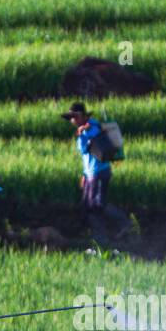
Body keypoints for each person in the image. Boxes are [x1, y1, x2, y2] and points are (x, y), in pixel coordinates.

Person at [62, 101, 130, 241]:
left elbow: (84, 148)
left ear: (80, 116)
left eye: (73, 117)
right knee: (88, 206)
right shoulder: (87, 128)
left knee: (98, 204)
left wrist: (82, 134)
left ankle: (123, 223)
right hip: (90, 174)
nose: (72, 121)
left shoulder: (92, 128)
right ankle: (97, 236)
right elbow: (86, 156)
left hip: (99, 172)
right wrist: (85, 175)